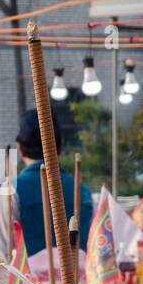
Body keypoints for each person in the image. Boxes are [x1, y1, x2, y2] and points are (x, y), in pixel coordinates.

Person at [13, 109, 93, 255]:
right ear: (60, 146)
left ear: (20, 148)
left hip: (27, 278)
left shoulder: (12, 189)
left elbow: (3, 253)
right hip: (79, 277)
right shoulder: (82, 191)